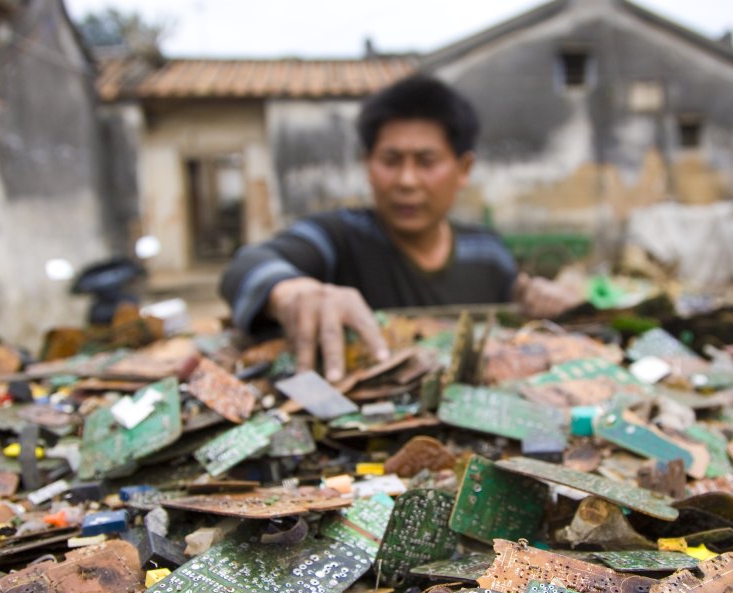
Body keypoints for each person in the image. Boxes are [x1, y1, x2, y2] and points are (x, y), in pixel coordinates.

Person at [220, 74, 578, 381]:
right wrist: (292, 292)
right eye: (391, 160)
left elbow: (518, 294)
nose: (406, 180)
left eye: (426, 161)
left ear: (464, 168)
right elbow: (248, 266)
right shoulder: (339, 237)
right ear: (367, 164)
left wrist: (543, 296)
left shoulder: (487, 251)